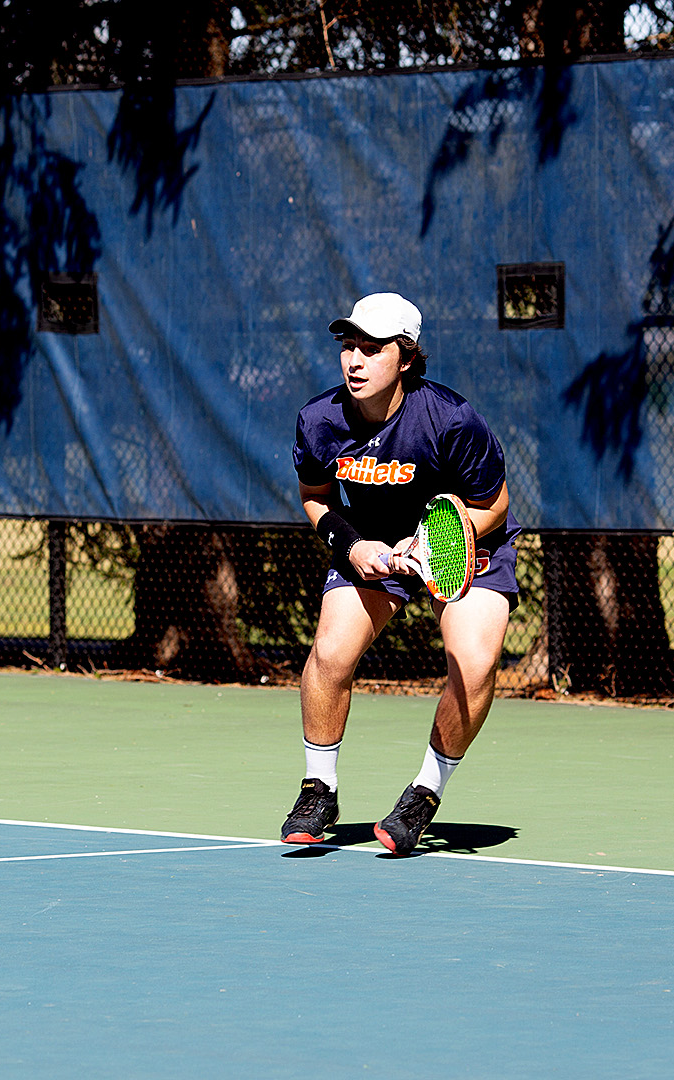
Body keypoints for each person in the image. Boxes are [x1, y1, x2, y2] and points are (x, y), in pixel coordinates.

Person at [282, 292, 520, 855]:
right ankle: (319, 789)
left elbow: (495, 505)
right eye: (348, 346)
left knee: (475, 666)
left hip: (465, 541)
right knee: (330, 653)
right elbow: (315, 496)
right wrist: (352, 544)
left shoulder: (451, 419)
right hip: (374, 540)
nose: (354, 361)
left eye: (372, 349)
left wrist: (437, 541)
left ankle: (424, 793)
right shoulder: (318, 420)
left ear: (406, 358)